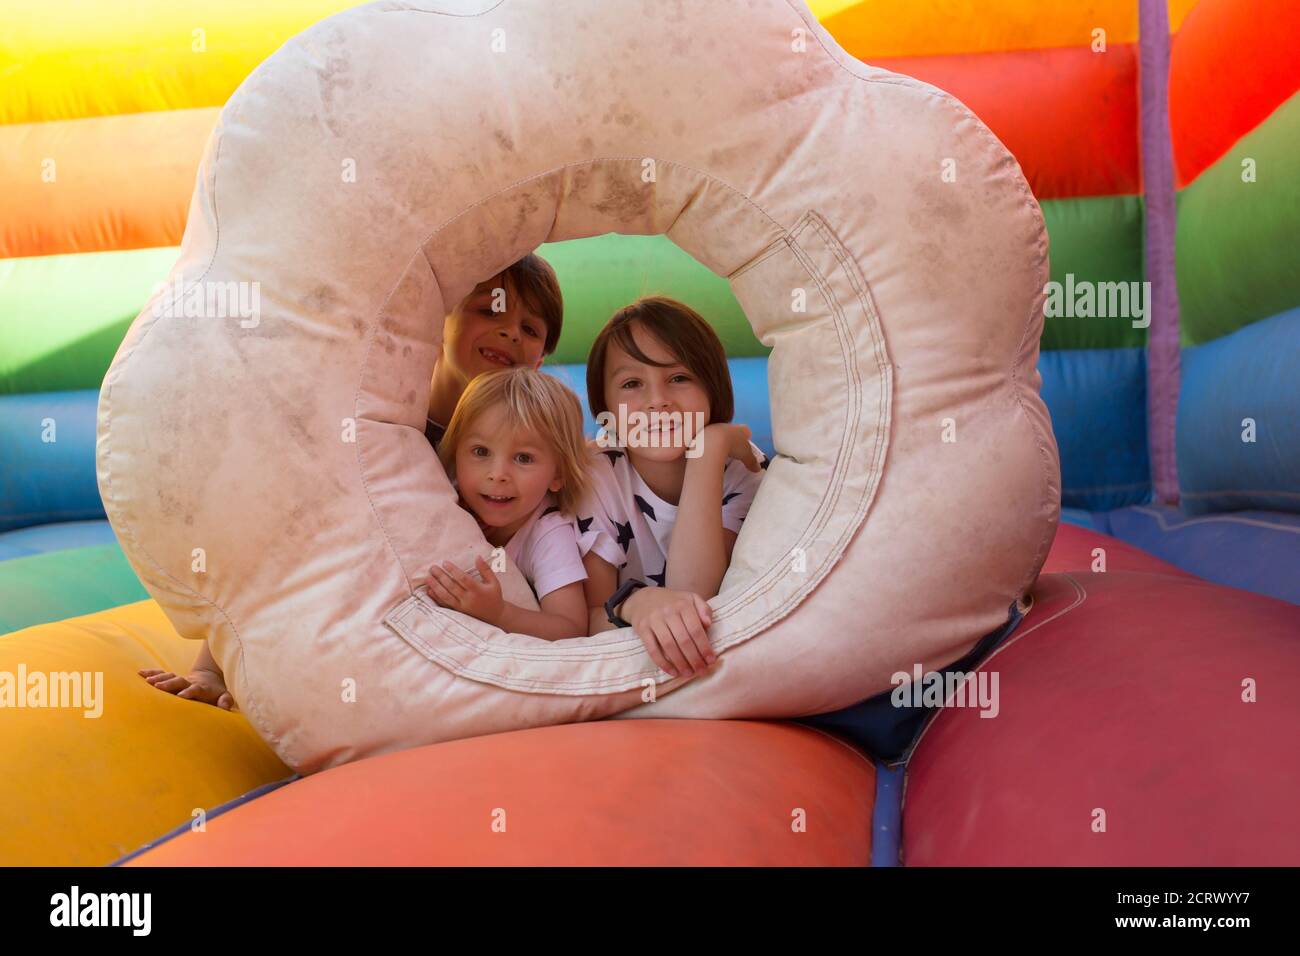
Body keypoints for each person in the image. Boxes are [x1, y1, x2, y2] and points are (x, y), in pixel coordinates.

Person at [575, 296, 766, 679]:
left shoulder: (741, 470)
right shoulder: (595, 474)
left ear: (712, 388)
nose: (658, 402)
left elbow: (693, 592)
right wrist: (636, 602)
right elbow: (587, 618)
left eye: (679, 378)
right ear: (606, 409)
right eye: (632, 383)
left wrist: (707, 454)